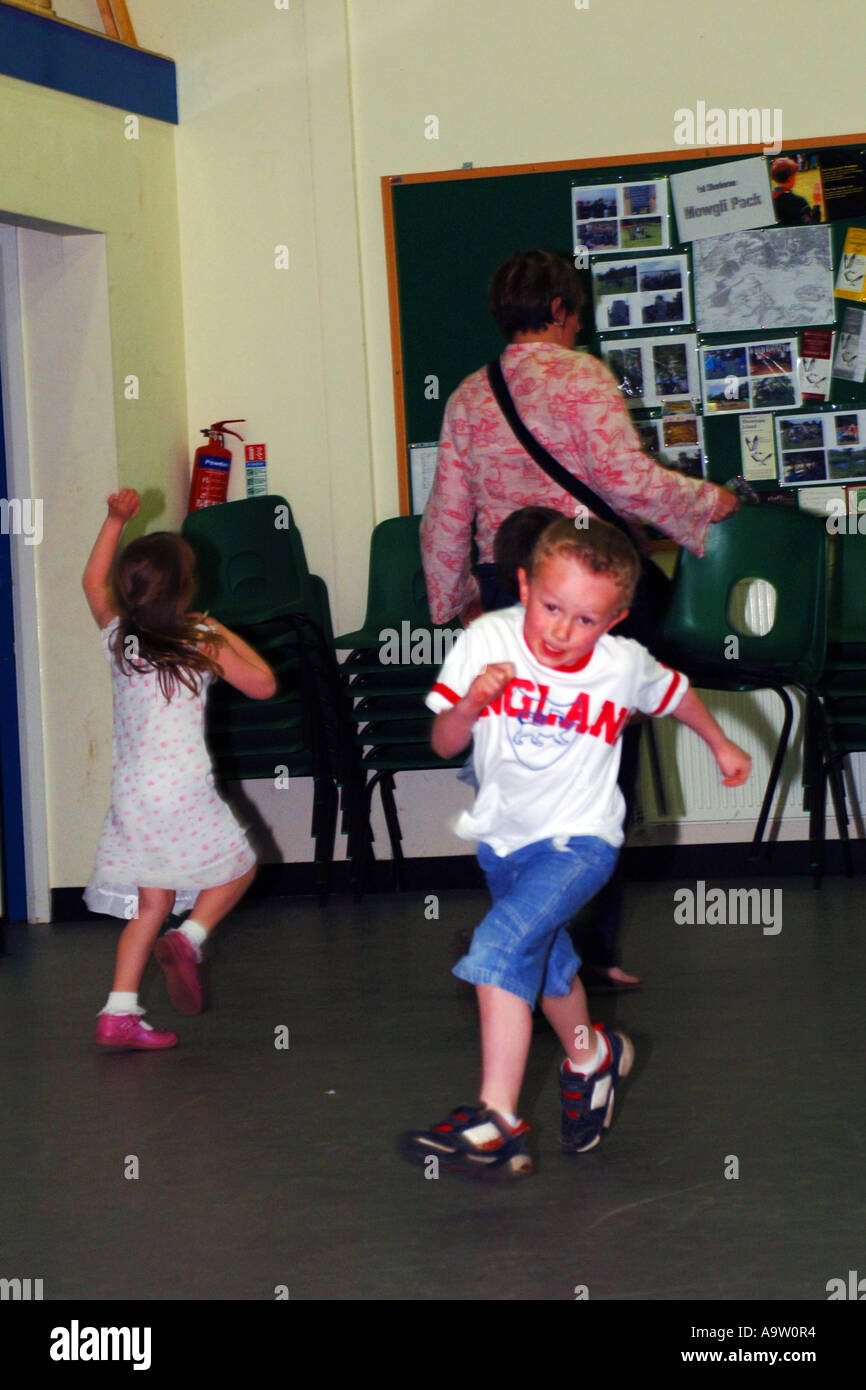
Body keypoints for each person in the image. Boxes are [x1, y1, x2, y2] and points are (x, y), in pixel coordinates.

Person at [421, 249, 739, 985]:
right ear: (562, 309)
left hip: (513, 588)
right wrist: (709, 504)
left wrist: (455, 599)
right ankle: (590, 953)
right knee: (597, 769)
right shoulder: (583, 375)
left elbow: (447, 513)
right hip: (590, 590)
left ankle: (521, 932)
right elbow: (627, 482)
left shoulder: (469, 395)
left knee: (510, 763)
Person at [400, 518, 751, 1178]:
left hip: (580, 844)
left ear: (614, 620)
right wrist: (471, 705)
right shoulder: (488, 640)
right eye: (551, 607)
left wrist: (721, 743)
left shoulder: (622, 664)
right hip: (504, 844)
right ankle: (592, 1057)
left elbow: (676, 694)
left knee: (501, 947)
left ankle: (497, 1119)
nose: (562, 631)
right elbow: (444, 742)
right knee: (551, 970)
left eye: (586, 619)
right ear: (524, 586)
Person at [82, 488, 277, 1051]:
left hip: (132, 794)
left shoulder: (119, 639)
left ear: (131, 591)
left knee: (152, 905)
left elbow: (92, 584)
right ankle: (190, 939)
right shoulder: (200, 639)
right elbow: (264, 684)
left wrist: (115, 519)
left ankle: (118, 1012)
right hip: (183, 790)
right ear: (185, 590)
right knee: (238, 867)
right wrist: (219, 629)